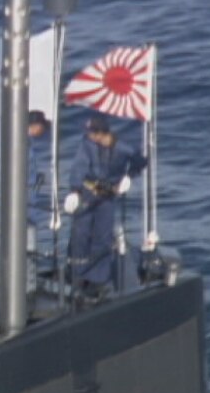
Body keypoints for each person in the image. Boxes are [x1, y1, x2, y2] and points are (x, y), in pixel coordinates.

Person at [63, 115, 147, 297]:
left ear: (102, 133)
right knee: (80, 233)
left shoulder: (123, 147)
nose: (90, 135)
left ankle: (97, 279)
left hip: (107, 196)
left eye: (93, 132)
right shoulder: (86, 145)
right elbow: (79, 167)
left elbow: (140, 160)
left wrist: (129, 177)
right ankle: (77, 275)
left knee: (103, 235)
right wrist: (75, 191)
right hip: (87, 192)